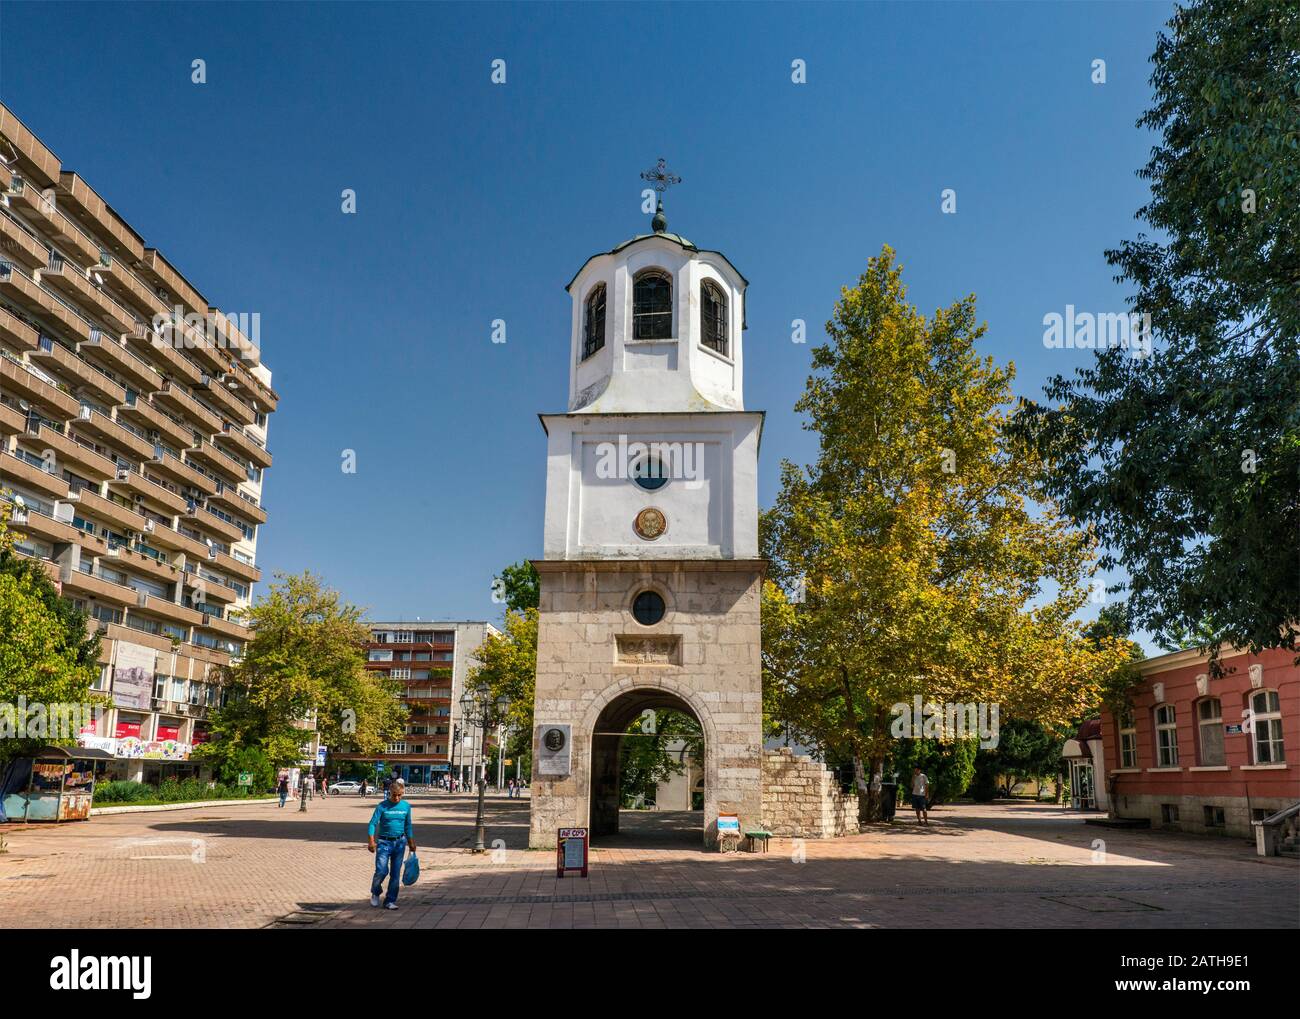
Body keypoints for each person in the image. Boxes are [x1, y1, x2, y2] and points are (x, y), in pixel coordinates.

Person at [367, 777, 415, 910]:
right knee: (381, 871)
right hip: (384, 843)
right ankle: (375, 891)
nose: (397, 798)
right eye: (395, 795)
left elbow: (408, 825)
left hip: (400, 843)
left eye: (400, 795)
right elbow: (372, 824)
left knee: (395, 873)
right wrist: (371, 841)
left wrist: (411, 842)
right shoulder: (382, 806)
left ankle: (390, 900)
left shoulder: (406, 806)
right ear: (390, 793)